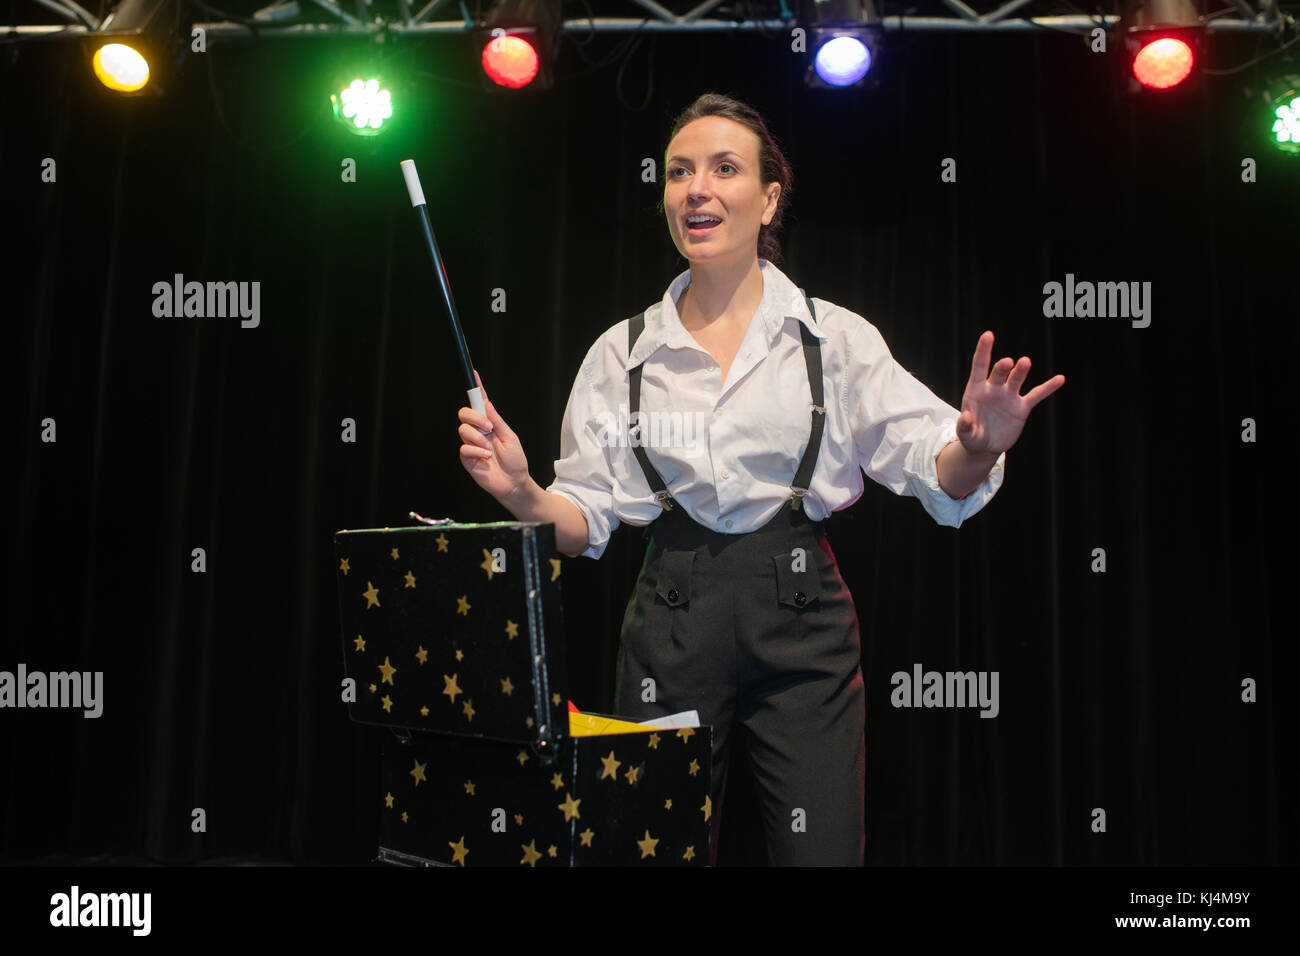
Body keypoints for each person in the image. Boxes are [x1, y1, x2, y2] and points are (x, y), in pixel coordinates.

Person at [456, 92, 1065, 866]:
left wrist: (979, 445)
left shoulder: (833, 338)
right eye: (680, 172)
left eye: (723, 169)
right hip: (671, 617)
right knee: (649, 849)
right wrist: (521, 493)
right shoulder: (622, 352)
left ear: (769, 197)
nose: (696, 189)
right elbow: (583, 518)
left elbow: (932, 462)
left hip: (801, 615)